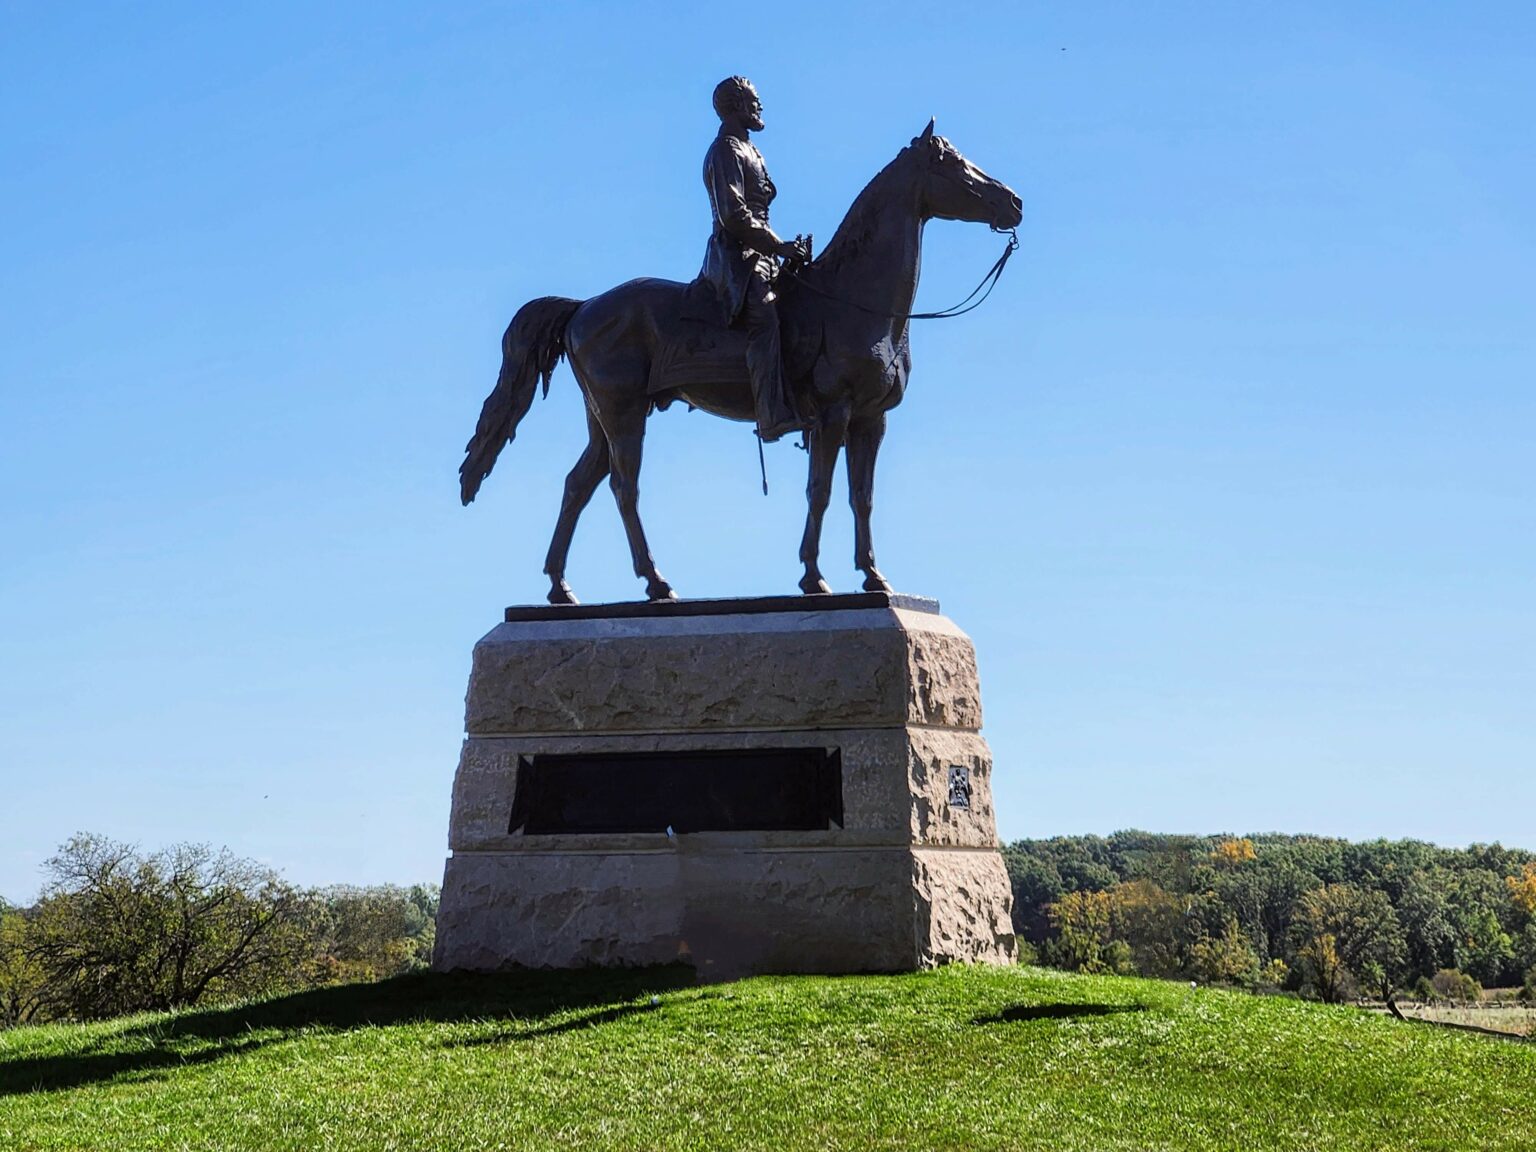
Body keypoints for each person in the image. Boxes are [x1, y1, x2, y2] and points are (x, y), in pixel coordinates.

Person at [698, 76, 808, 443]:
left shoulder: (751, 150)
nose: (760, 107)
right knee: (765, 318)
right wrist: (779, 246)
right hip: (737, 259)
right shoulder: (725, 150)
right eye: (754, 100)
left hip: (763, 255)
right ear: (736, 106)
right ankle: (771, 414)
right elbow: (734, 215)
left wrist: (784, 250)